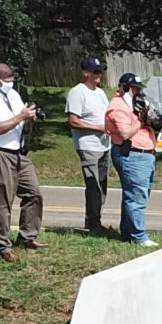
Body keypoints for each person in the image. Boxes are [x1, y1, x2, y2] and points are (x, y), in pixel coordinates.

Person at [0, 62, 44, 259]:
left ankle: (27, 236)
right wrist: (20, 116)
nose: (11, 84)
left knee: (34, 194)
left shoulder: (13, 95)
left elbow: (21, 123)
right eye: (7, 81)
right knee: (3, 200)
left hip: (18, 152)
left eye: (13, 80)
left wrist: (29, 118)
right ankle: (3, 247)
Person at [105, 73, 160, 247]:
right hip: (132, 154)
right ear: (125, 88)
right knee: (136, 197)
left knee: (136, 195)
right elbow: (125, 133)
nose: (137, 92)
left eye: (139, 88)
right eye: (134, 88)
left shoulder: (133, 104)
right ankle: (139, 236)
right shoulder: (118, 106)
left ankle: (128, 233)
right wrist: (141, 119)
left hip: (145, 154)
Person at [65, 56, 111, 236]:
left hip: (104, 145)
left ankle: (95, 219)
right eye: (95, 72)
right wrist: (96, 128)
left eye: (100, 71)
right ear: (86, 73)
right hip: (88, 145)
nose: (99, 75)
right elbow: (73, 121)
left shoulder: (100, 93)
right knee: (93, 185)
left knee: (102, 184)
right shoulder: (77, 92)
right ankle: (93, 223)